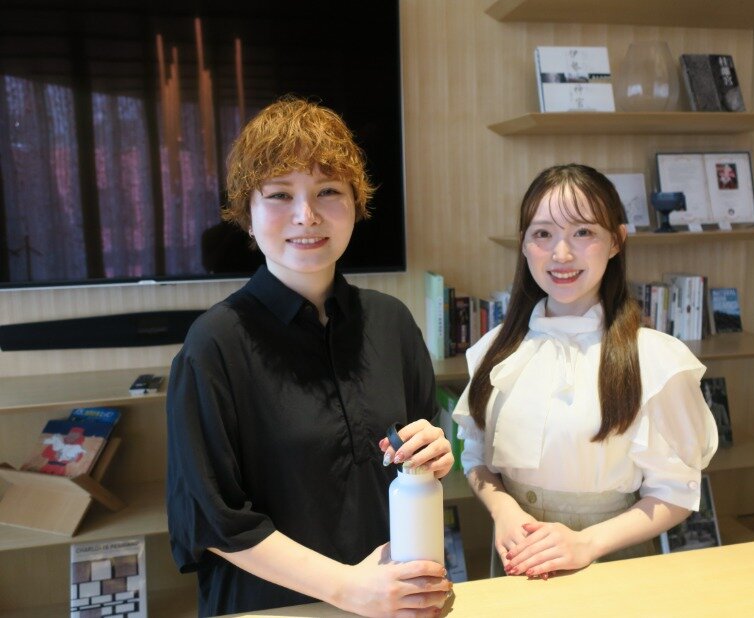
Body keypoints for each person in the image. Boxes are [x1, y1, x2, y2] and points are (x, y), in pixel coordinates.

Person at [166, 96, 454, 617]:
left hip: (389, 598)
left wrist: (433, 455)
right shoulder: (213, 345)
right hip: (271, 606)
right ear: (247, 216)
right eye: (280, 194)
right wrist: (348, 588)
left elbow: (413, 459)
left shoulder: (391, 321)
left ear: (356, 205)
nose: (307, 215)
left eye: (328, 191)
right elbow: (213, 518)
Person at [452, 163, 718, 579]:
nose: (561, 254)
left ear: (616, 241)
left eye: (583, 232)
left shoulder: (654, 358)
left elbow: (675, 493)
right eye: (543, 234)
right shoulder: (496, 349)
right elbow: (475, 456)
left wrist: (587, 543)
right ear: (523, 244)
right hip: (518, 565)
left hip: (613, 568)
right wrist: (504, 510)